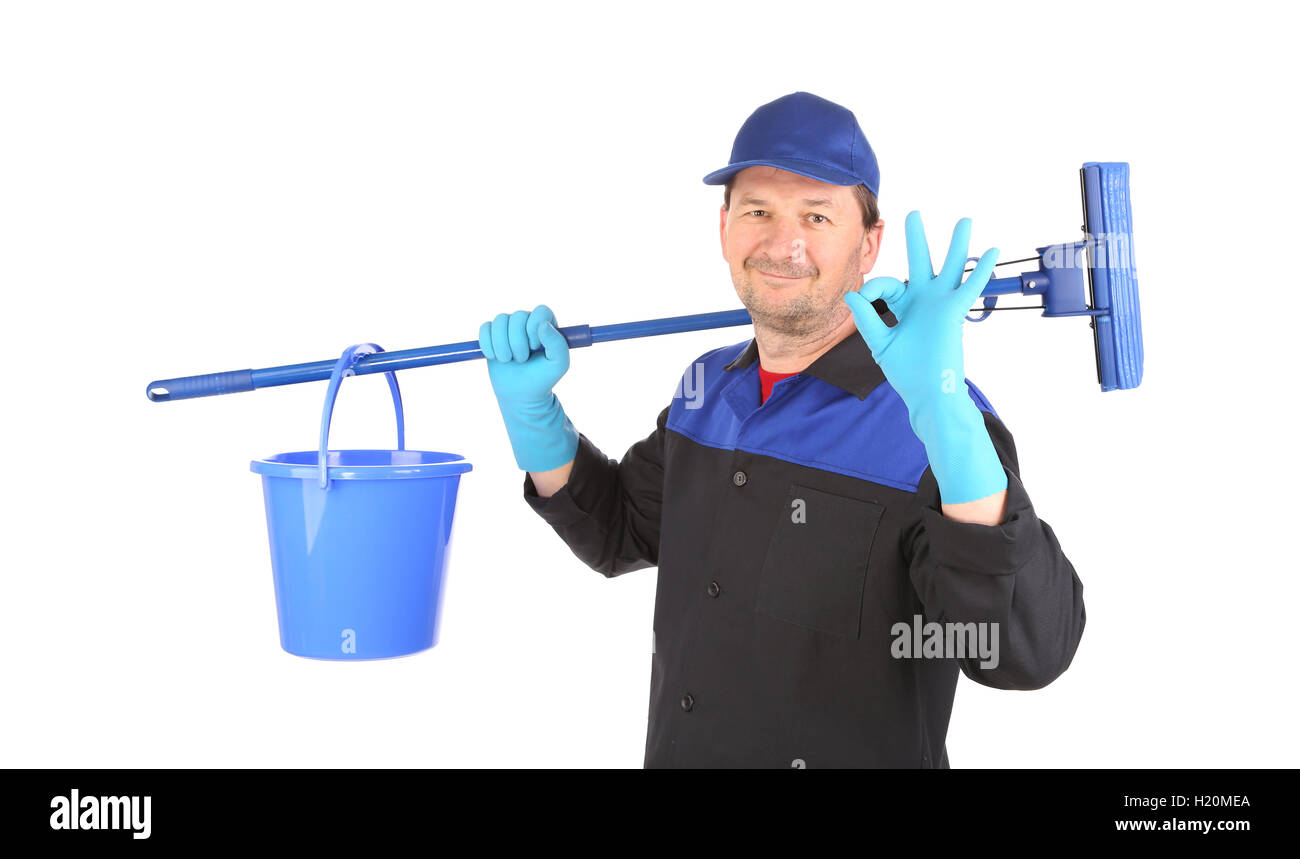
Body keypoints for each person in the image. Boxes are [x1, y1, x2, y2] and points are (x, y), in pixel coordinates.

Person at [477, 91, 1085, 768]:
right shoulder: (705, 392)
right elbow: (620, 530)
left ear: (869, 244)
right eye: (757, 211)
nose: (781, 243)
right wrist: (532, 414)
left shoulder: (938, 427)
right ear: (724, 228)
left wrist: (942, 410)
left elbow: (1023, 650)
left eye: (816, 215)